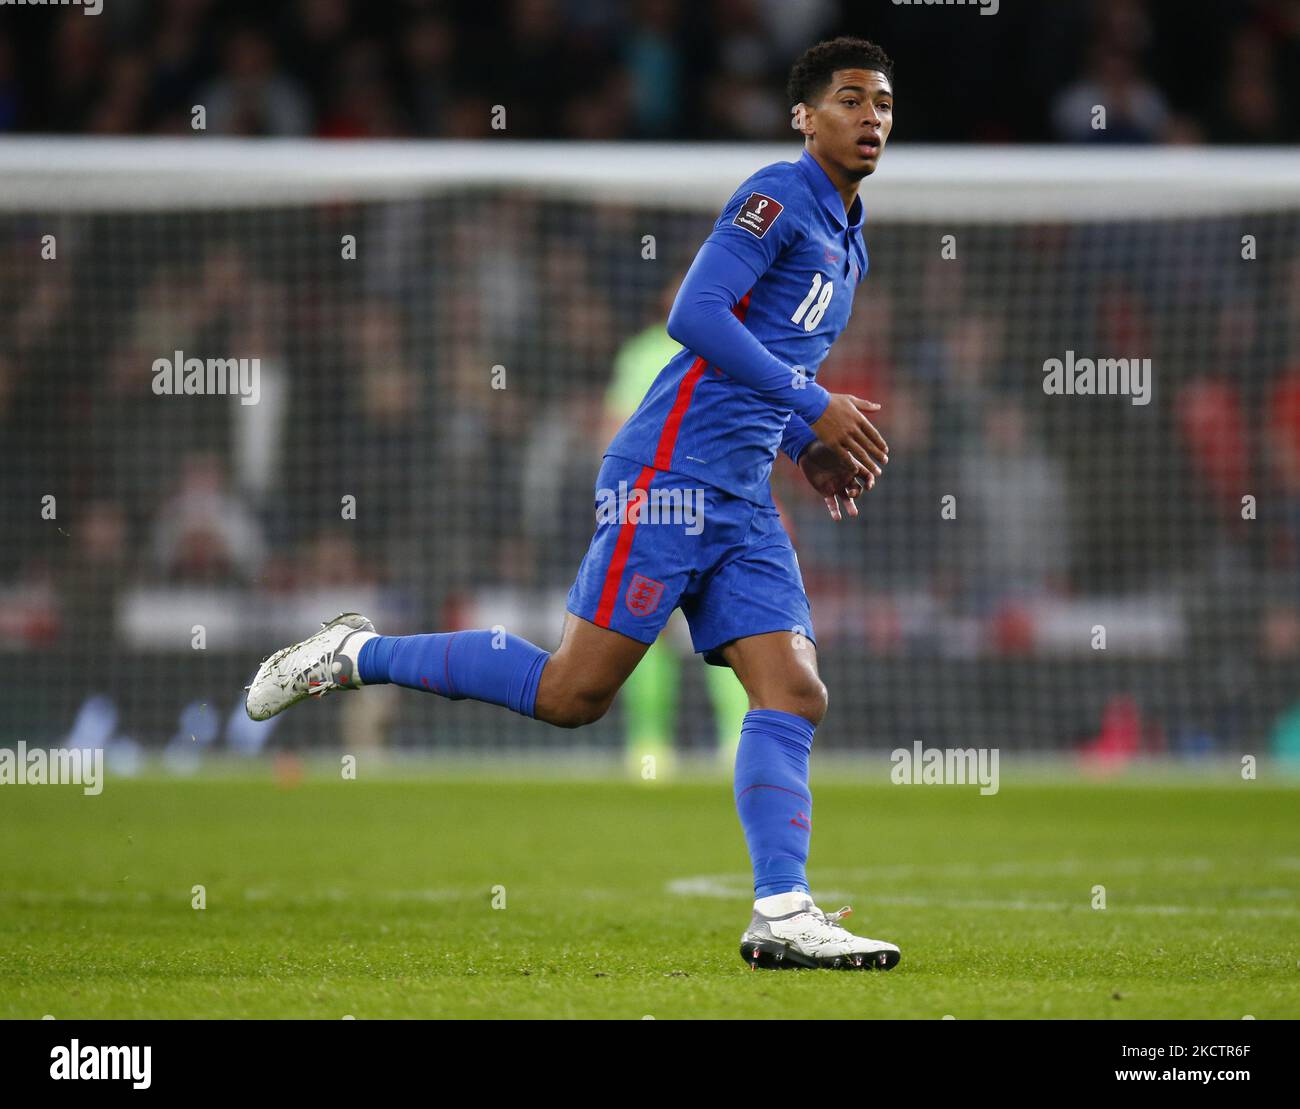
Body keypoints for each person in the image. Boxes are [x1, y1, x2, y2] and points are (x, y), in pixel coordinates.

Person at [247, 36, 899, 971]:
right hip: (667, 479)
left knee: (795, 690)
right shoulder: (775, 196)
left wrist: (805, 445)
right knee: (571, 694)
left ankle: (783, 911)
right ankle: (352, 654)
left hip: (743, 494)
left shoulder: (851, 238)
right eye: (850, 99)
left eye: (883, 103)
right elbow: (695, 315)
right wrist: (814, 403)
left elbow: (772, 362)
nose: (871, 117)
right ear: (804, 117)